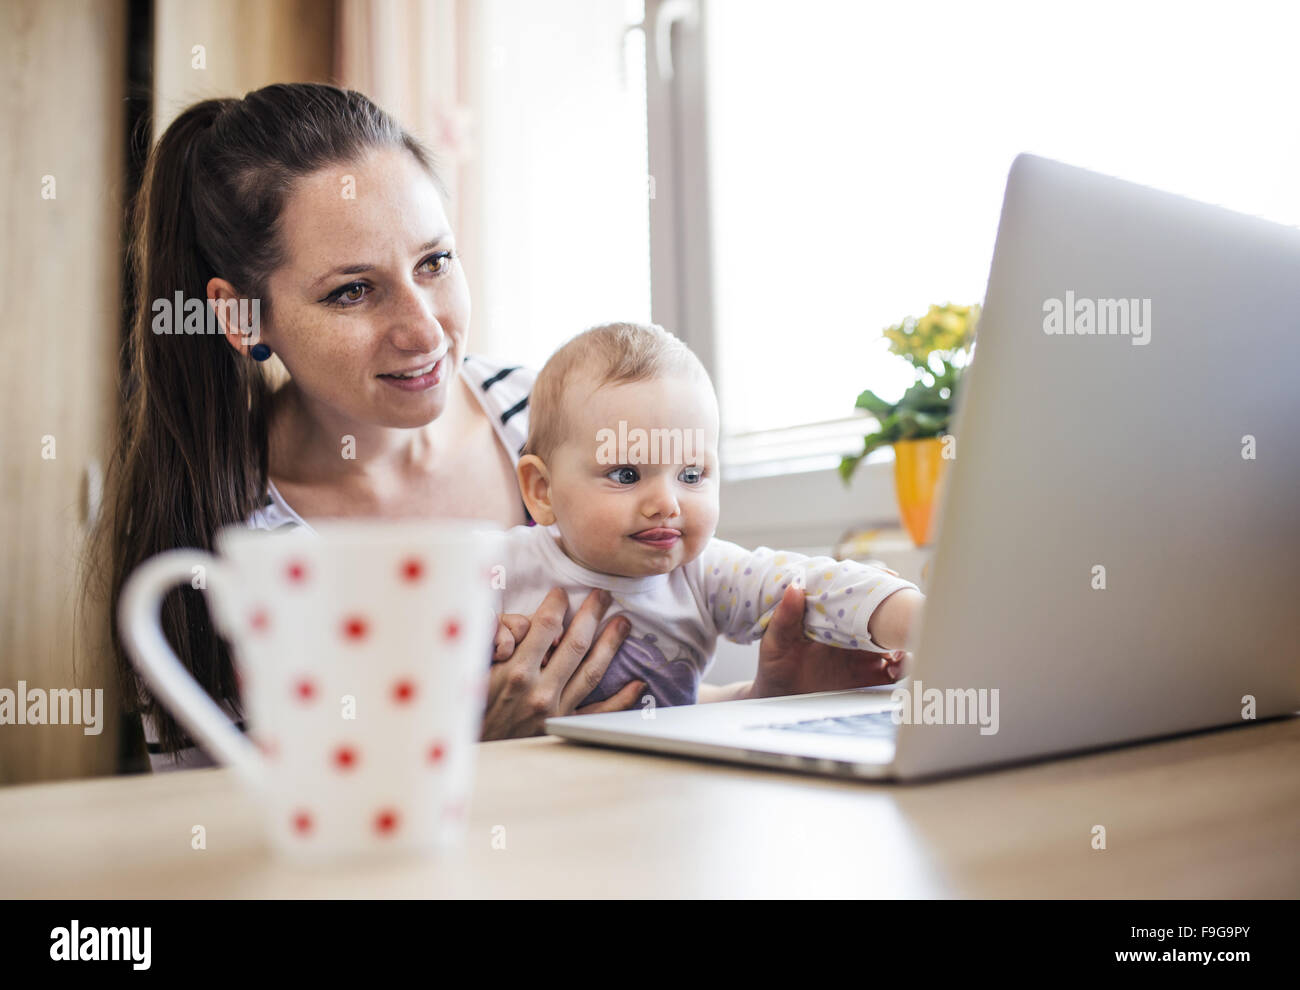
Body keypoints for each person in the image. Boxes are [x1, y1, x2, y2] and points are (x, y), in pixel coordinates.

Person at [84, 83, 904, 773]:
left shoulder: (540, 415)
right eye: (352, 292)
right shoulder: (220, 543)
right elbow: (216, 843)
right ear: (238, 315)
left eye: (434, 263)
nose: (425, 329)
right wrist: (457, 757)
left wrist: (761, 702)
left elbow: (615, 706)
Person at [494, 322, 919, 709]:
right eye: (626, 474)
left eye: (691, 474)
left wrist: (928, 623)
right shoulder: (496, 566)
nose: (667, 503)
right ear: (541, 490)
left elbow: (816, 588)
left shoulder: (704, 573)